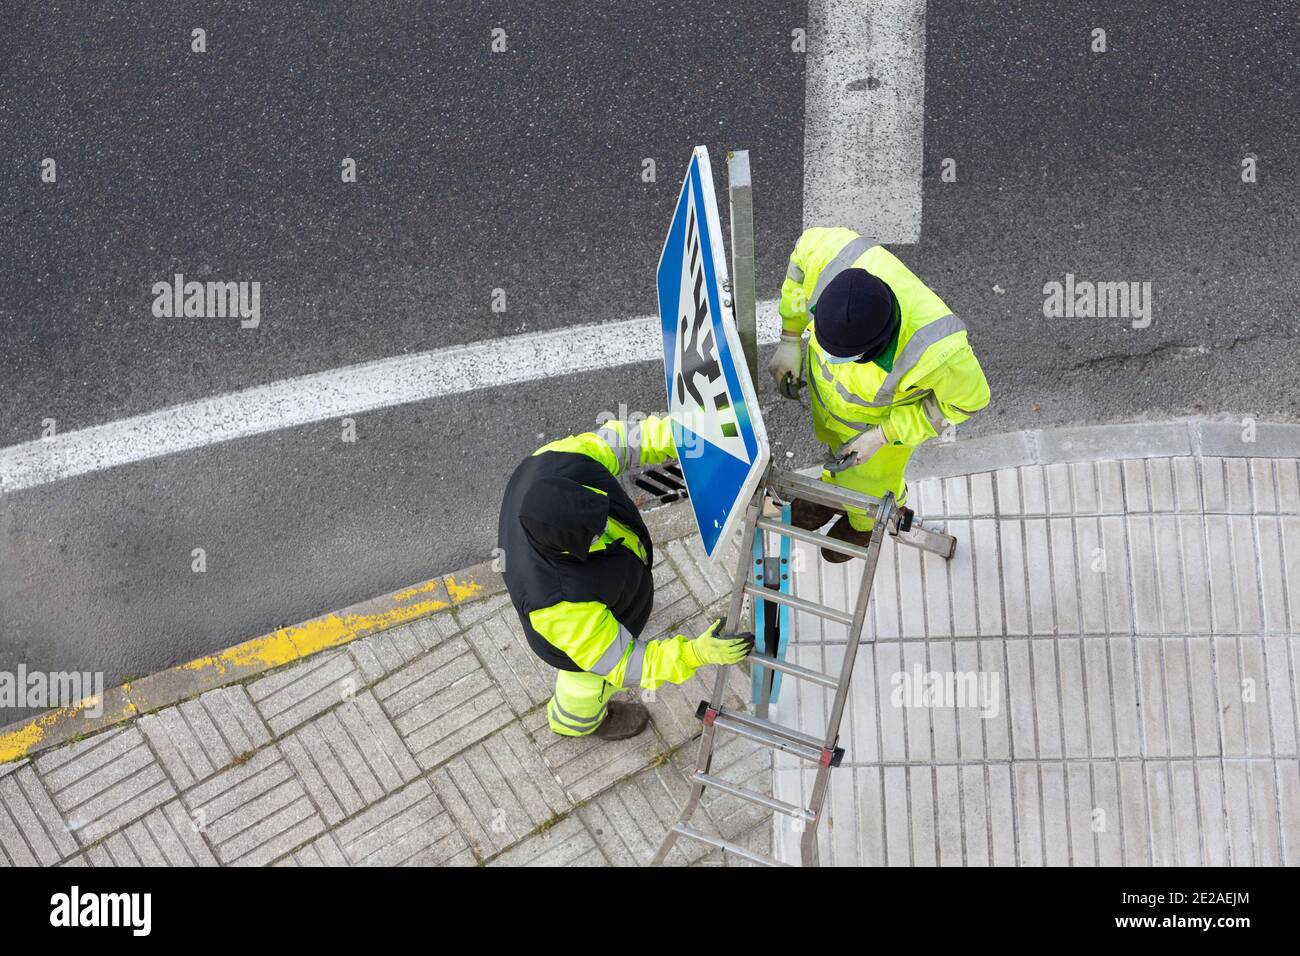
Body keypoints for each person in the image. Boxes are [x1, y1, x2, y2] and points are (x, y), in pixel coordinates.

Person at [498, 414, 755, 739]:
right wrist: (695, 653)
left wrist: (686, 435)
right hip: (572, 646)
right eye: (593, 536)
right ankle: (575, 723)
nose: (605, 528)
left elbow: (626, 442)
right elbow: (625, 664)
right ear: (566, 551)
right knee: (586, 680)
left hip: (609, 589)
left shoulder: (561, 460)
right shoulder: (558, 604)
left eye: (600, 516)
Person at [768, 227, 991, 562]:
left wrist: (885, 435)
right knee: (837, 455)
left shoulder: (939, 352)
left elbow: (966, 402)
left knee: (871, 486)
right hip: (833, 413)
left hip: (879, 439)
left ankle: (862, 522)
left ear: (876, 346)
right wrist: (790, 335)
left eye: (840, 357)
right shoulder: (831, 253)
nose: (828, 358)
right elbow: (799, 264)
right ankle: (833, 492)